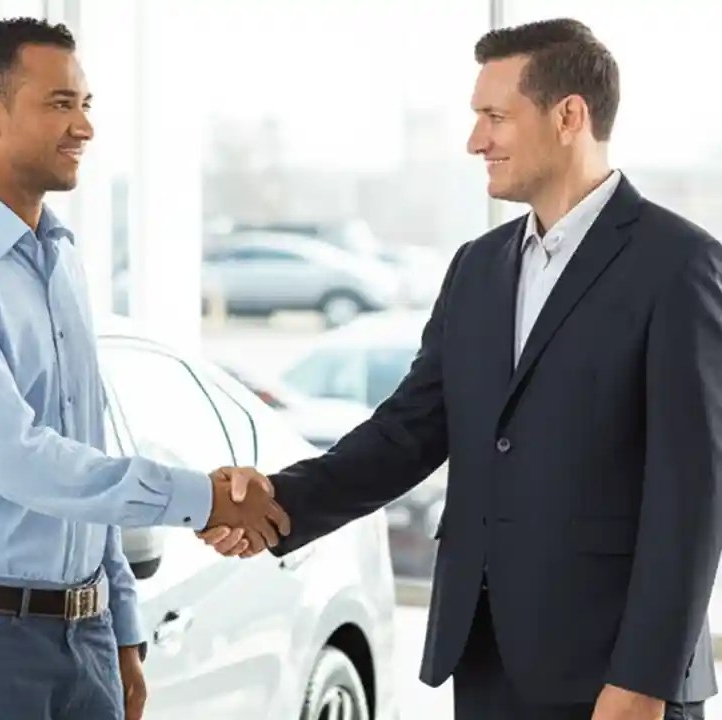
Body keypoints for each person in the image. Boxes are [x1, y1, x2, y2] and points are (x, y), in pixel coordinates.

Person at [202, 17, 722, 720]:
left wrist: (645, 679)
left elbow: (692, 496)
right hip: (485, 658)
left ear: (569, 116)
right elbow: (407, 432)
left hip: (612, 678)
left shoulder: (679, 264)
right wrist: (275, 502)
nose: (475, 139)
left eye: (494, 116)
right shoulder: (478, 268)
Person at [0, 17, 289, 720]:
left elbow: (86, 452)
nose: (85, 128)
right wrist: (205, 499)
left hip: (85, 632)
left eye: (86, 104)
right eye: (61, 104)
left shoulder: (59, 257)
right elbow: (20, 460)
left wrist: (121, 625)